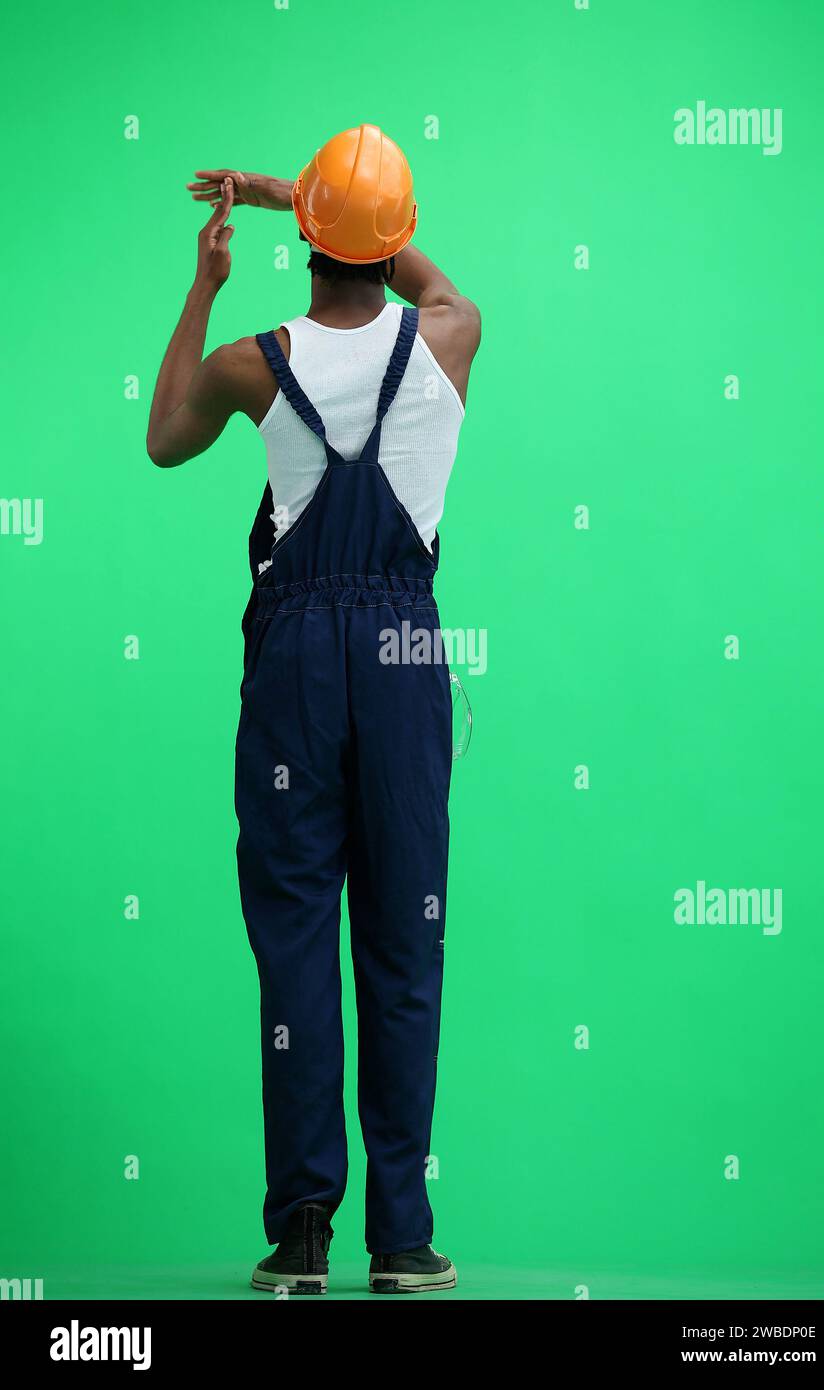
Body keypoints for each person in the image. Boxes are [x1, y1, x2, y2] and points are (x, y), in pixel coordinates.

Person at [147, 126, 481, 1294]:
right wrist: (310, 198)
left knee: (294, 937)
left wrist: (204, 280)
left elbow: (163, 437)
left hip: (296, 664)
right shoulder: (451, 338)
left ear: (306, 244)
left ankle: (299, 1233)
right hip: (400, 655)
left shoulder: (252, 360)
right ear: (390, 243)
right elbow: (427, 276)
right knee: (404, 940)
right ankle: (403, 1239)